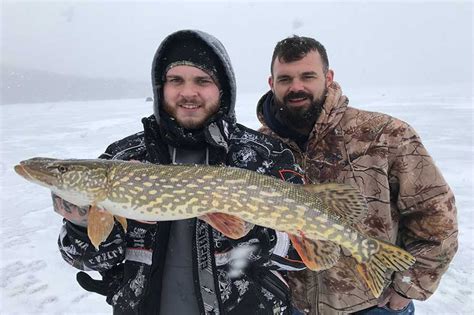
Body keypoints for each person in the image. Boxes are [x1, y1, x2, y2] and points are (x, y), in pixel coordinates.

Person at [53, 30, 307, 315]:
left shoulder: (263, 155)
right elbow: (87, 260)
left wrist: (259, 235)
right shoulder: (124, 157)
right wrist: (80, 224)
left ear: (222, 88)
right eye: (176, 80)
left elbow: (303, 258)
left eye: (202, 80)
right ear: (161, 87)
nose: (188, 93)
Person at [256, 35, 458, 315]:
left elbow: (436, 214)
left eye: (308, 76)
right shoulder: (258, 147)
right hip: (291, 305)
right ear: (271, 83)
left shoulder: (384, 134)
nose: (296, 87)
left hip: (373, 305)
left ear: (328, 77)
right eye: (285, 79)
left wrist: (408, 288)